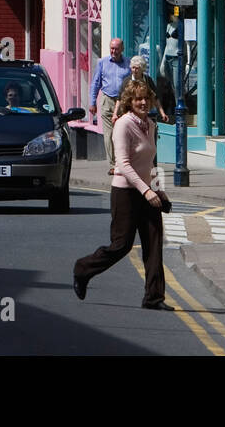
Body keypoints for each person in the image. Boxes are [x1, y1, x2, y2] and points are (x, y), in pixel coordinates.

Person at [72, 79, 171, 310]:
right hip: (125, 193)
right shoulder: (123, 125)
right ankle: (83, 269)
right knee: (121, 245)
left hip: (148, 194)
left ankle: (154, 298)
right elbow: (123, 165)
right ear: (129, 101)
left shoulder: (151, 125)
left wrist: (159, 190)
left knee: (154, 245)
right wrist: (146, 191)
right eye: (138, 99)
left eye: (147, 98)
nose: (143, 102)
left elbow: (151, 162)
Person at [88, 38, 129, 170]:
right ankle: (113, 165)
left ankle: (123, 162)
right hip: (107, 100)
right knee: (109, 134)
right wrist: (92, 102)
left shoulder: (128, 64)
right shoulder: (102, 63)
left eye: (116, 49)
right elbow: (95, 83)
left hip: (124, 102)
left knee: (123, 133)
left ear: (122, 49)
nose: (114, 51)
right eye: (112, 48)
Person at [127, 55, 166, 122]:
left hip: (146, 113)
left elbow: (155, 97)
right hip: (131, 115)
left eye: (137, 68)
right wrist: (116, 114)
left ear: (142, 69)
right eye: (133, 68)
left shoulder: (148, 80)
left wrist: (162, 113)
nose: (134, 70)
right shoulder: (127, 81)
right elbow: (121, 99)